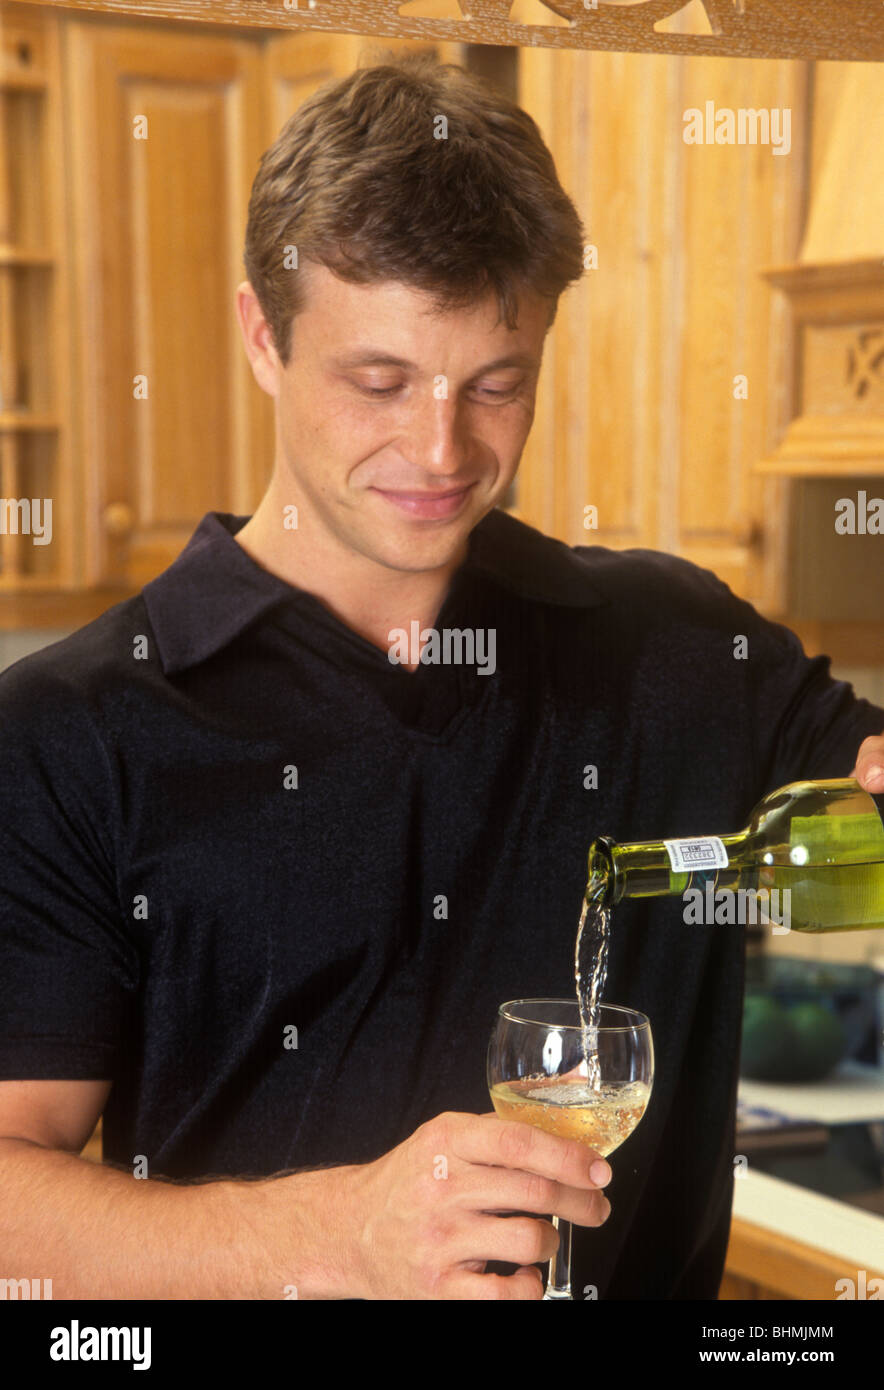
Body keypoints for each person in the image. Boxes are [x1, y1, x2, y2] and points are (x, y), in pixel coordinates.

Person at [0, 53, 882, 1302]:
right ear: (263, 333)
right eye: (379, 380)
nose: (438, 447)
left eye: (495, 385)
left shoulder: (678, 647)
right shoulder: (69, 734)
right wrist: (330, 1242)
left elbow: (864, 802)